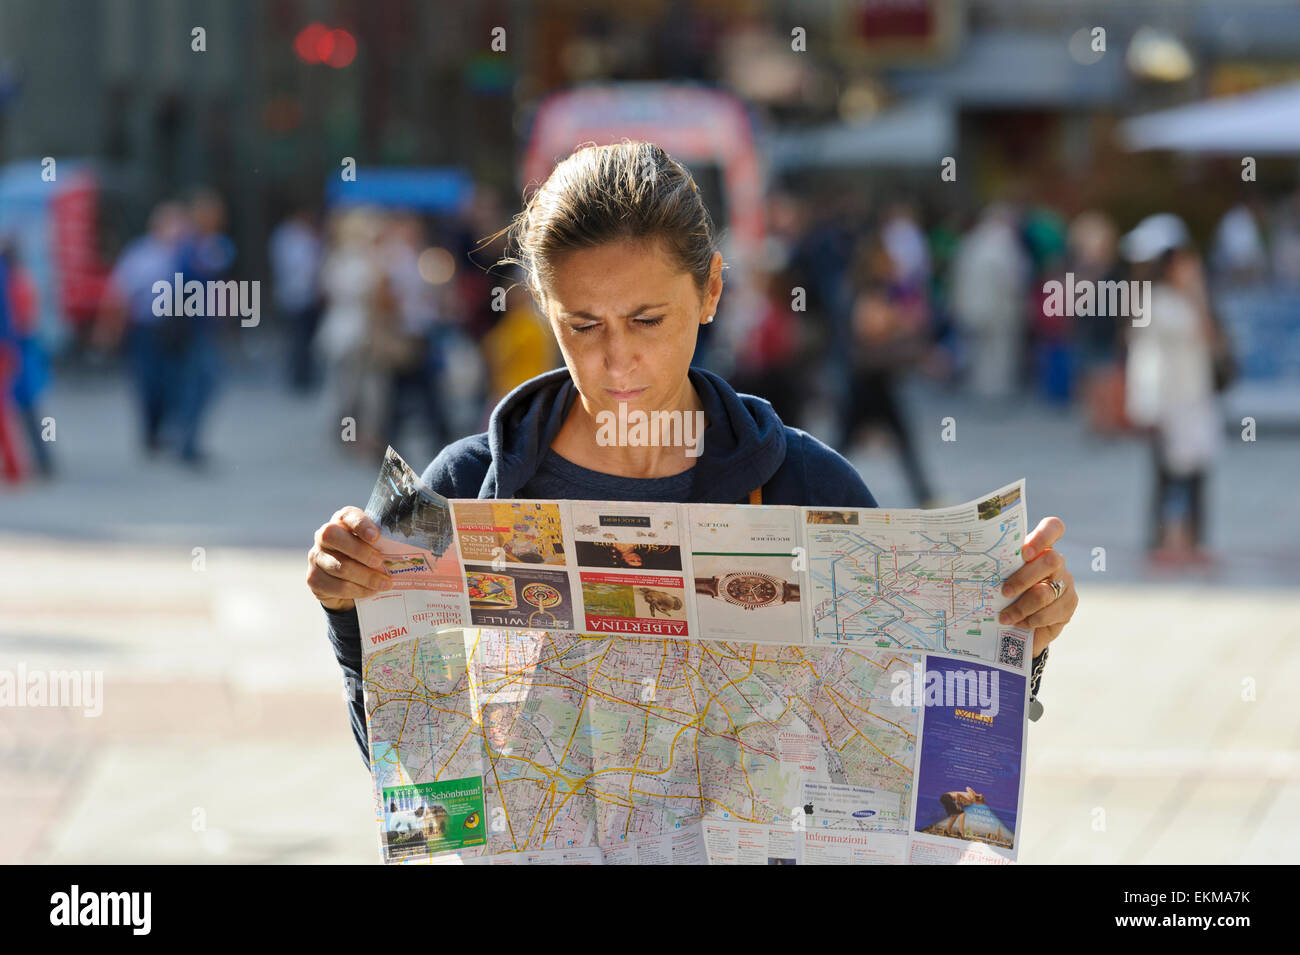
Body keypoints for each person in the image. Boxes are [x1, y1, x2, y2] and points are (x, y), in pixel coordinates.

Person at [305, 142, 1079, 769]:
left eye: (647, 319)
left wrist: (1012, 641)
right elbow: (410, 765)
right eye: (583, 325)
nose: (617, 361)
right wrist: (351, 612)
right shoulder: (461, 490)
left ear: (711, 290)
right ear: (543, 305)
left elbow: (897, 745)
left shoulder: (805, 485)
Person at [1121, 214, 1222, 565]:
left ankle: (1194, 540)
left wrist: (1196, 293)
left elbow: (1211, 341)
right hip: (1166, 403)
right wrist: (1147, 406)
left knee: (1196, 472)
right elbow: (1147, 360)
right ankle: (1160, 540)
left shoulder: (1187, 300)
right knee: (1164, 474)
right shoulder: (1156, 304)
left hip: (1193, 399)